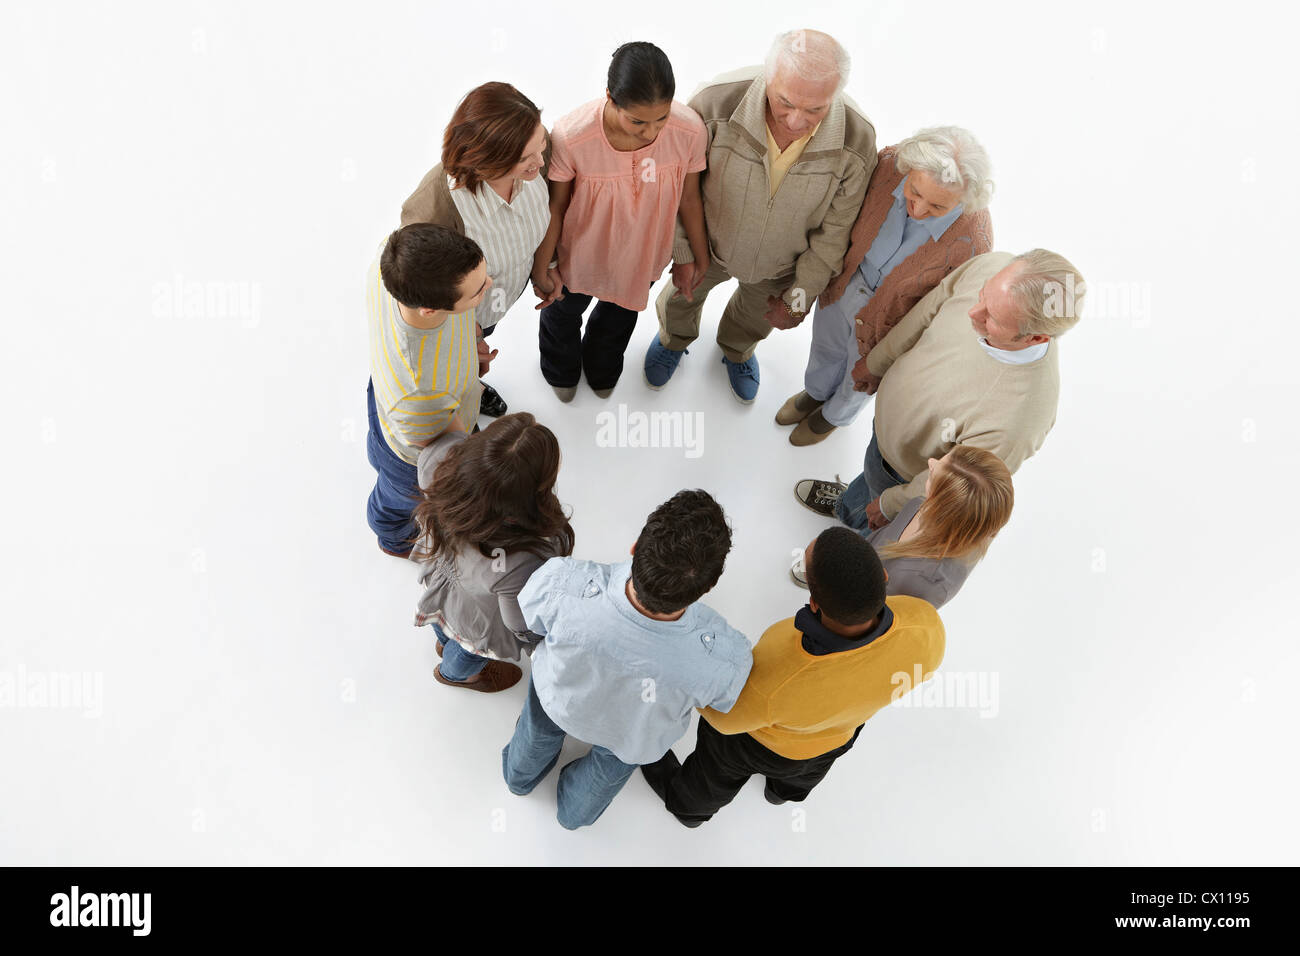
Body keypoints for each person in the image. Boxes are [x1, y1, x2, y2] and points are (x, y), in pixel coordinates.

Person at [641, 526, 944, 826]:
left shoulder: (783, 667)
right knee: (807, 772)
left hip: (766, 747)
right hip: (839, 735)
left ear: (813, 602)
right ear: (885, 577)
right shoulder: (926, 624)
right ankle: (781, 793)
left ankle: (689, 811)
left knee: (718, 756)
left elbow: (725, 719)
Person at [643, 28, 876, 403]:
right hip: (708, 247)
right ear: (768, 77)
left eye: (815, 109)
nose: (797, 120)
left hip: (780, 267)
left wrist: (798, 298)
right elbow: (675, 187)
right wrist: (684, 253)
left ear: (835, 94)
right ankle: (674, 340)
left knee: (753, 320)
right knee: (678, 301)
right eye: (785, 101)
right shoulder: (714, 103)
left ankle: (736, 351)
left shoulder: (858, 141)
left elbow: (835, 234)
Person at [501, 490, 752, 830]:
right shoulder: (725, 656)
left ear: (635, 547)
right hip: (632, 738)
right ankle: (572, 816)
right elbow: (724, 701)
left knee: (536, 734)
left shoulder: (564, 581)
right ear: (709, 585)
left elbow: (529, 616)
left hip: (557, 700)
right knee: (603, 777)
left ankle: (519, 778)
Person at [793, 248, 1085, 531]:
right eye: (982, 294)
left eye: (992, 318)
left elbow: (949, 484)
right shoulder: (993, 266)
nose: (973, 312)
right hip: (883, 440)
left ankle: (839, 557)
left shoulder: (1020, 421)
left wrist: (890, 505)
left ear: (1035, 338)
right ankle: (849, 507)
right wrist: (877, 363)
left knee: (879, 527)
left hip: (904, 480)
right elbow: (928, 311)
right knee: (869, 485)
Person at [778, 127, 994, 445]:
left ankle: (832, 417)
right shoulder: (889, 164)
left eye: (937, 207)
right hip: (846, 282)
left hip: (892, 320)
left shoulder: (974, 240)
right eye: (915, 192)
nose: (918, 210)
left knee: (862, 375)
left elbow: (944, 313)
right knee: (825, 344)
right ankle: (815, 392)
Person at [530, 42, 708, 402]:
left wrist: (698, 256)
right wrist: (543, 264)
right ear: (610, 97)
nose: (650, 132)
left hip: (640, 252)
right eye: (638, 121)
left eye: (661, 118)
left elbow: (689, 198)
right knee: (562, 314)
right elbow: (557, 206)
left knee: (619, 318)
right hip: (579, 251)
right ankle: (559, 368)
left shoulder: (689, 130)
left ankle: (603, 367)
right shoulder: (572, 135)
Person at [400, 82, 551, 419]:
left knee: (476, 361)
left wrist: (544, 267)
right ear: (487, 161)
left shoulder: (536, 150)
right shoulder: (437, 208)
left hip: (495, 304)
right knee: (455, 371)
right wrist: (467, 336)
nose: (540, 162)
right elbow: (421, 295)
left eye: (541, 147)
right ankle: (464, 400)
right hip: (454, 321)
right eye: (526, 159)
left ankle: (472, 382)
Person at [410, 412, 575, 693]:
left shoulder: (439, 459)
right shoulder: (523, 558)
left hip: (439, 577)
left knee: (442, 620)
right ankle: (455, 675)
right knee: (468, 652)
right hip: (476, 618)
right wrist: (539, 641)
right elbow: (517, 621)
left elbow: (454, 431)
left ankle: (443, 640)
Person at [364, 223, 496, 558]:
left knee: (379, 445)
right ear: (430, 310)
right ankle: (394, 540)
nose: (489, 287)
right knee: (398, 499)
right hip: (410, 457)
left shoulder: (391, 255)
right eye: (478, 291)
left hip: (386, 399)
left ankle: (377, 455)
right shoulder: (420, 394)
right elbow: (447, 446)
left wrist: (470, 347)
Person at [792, 446, 1013, 609]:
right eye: (942, 460)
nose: (931, 463)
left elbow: (874, 616)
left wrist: (830, 596)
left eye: (935, 473)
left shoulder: (925, 584)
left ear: (944, 507)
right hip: (865, 561)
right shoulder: (925, 504)